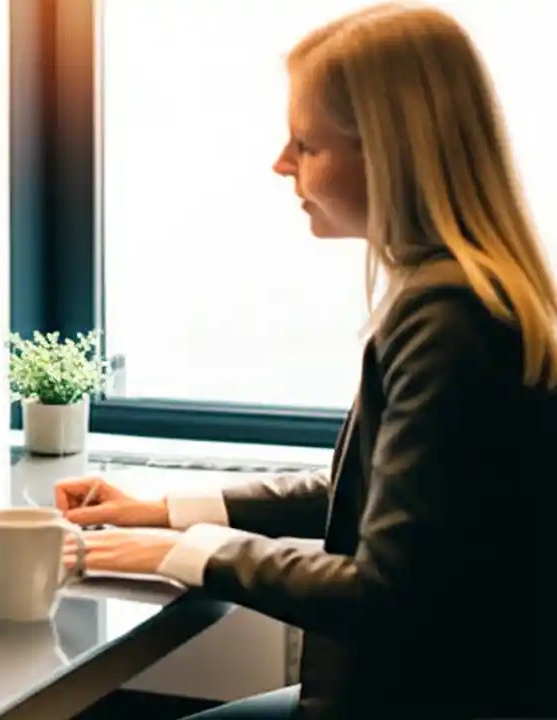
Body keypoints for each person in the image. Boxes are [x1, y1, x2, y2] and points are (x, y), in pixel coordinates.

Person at [55, 5, 557, 719]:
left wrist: (184, 552)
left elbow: (386, 590)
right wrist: (166, 512)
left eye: (306, 143)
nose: (281, 163)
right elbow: (377, 496)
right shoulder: (474, 296)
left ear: (388, 151)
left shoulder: (448, 319)